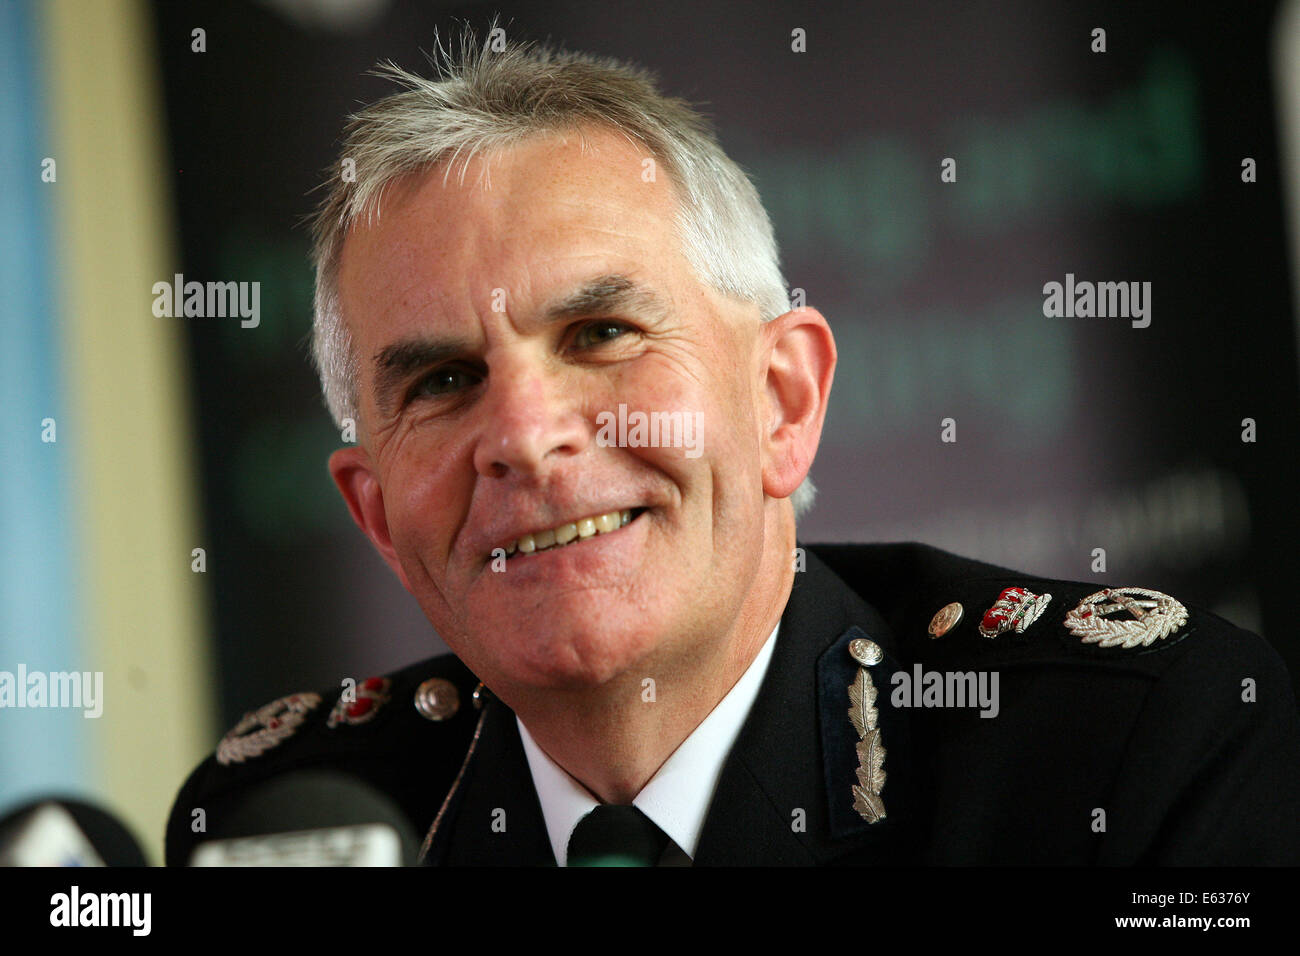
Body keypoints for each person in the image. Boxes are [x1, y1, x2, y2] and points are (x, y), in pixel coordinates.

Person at [165, 29, 1300, 866]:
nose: (523, 436)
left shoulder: (1133, 746)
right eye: (445, 381)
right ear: (376, 515)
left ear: (781, 400)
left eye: (601, 333)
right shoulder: (289, 827)